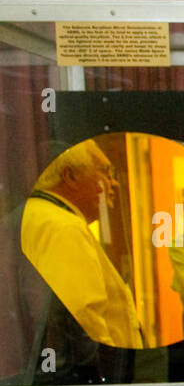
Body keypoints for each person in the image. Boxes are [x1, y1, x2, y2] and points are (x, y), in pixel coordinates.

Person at [21, 141, 144, 349]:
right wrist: (97, 377)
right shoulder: (64, 226)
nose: (114, 183)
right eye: (105, 173)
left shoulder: (35, 215)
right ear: (70, 176)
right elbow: (83, 318)